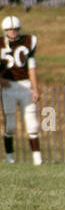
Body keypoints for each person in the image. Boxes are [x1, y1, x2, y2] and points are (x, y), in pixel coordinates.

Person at [1, 16, 42, 164]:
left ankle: (38, 160)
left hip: (25, 85)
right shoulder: (0, 43)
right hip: (9, 87)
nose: (13, 32)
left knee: (32, 124)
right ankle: (10, 159)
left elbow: (31, 67)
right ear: (5, 30)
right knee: (10, 125)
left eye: (15, 29)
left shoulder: (28, 41)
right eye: (10, 29)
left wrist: (36, 88)